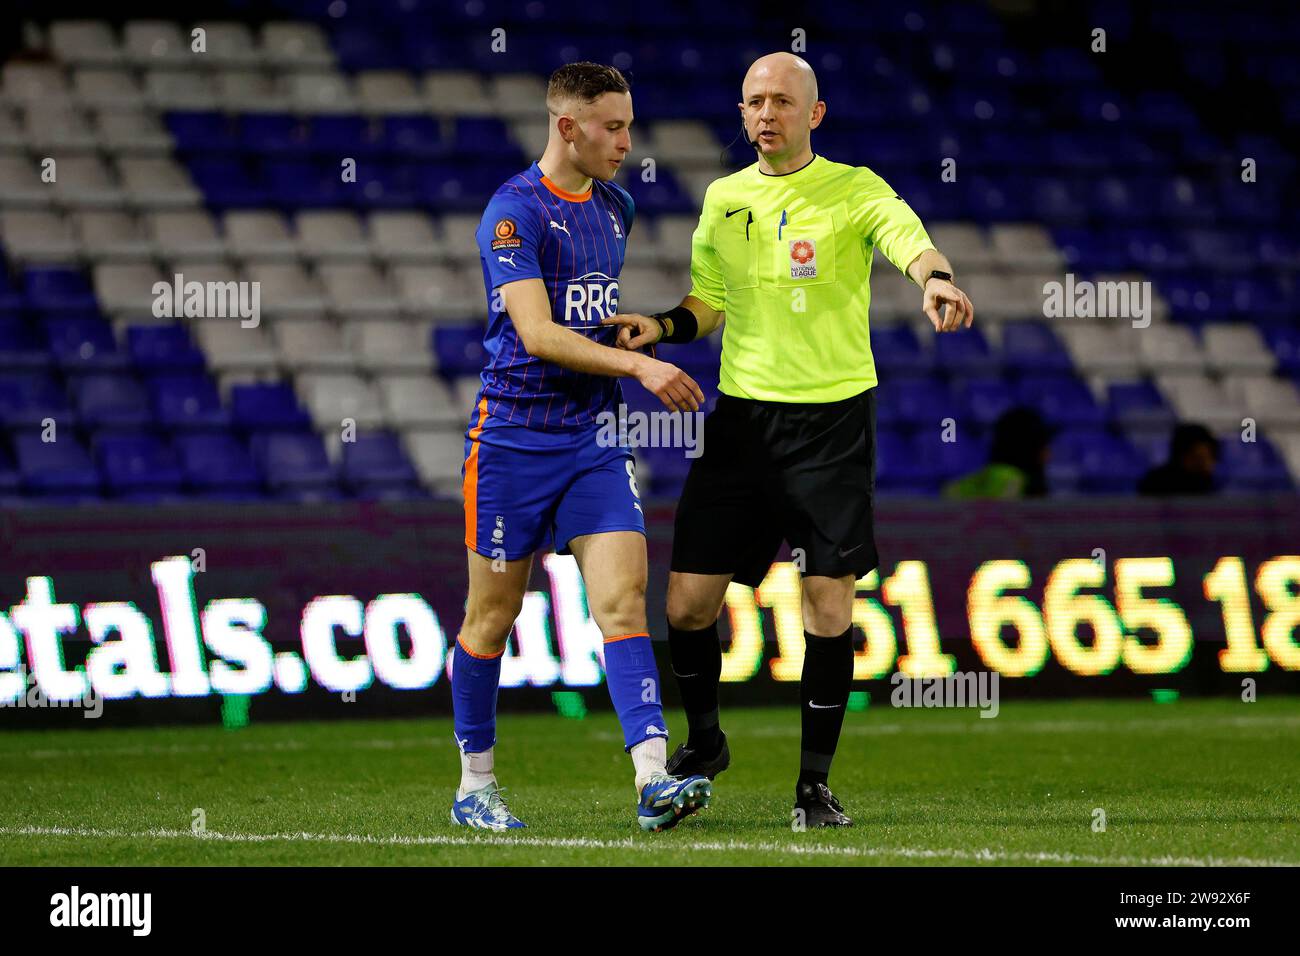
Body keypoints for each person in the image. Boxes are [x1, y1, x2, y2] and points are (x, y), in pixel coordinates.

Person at [605, 52, 975, 827]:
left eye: (780, 100)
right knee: (686, 604)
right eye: (753, 101)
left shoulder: (855, 188)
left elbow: (909, 241)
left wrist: (936, 279)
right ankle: (707, 742)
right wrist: (661, 326)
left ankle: (813, 786)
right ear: (742, 113)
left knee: (827, 608)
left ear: (815, 114)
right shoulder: (725, 198)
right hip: (743, 423)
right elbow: (709, 302)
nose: (766, 113)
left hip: (832, 424)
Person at [452, 62, 711, 832]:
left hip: (595, 437)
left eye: (630, 125)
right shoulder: (512, 213)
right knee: (491, 617)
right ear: (568, 127)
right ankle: (474, 787)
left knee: (623, 602)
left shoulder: (616, 206)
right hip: (512, 442)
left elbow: (581, 312)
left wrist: (627, 332)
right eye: (613, 127)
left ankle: (653, 781)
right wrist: (640, 366)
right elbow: (536, 333)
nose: (627, 142)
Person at [942, 406, 1053, 499]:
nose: (1049, 455)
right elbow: (996, 517)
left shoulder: (997, 473)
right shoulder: (1009, 478)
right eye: (1043, 445)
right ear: (1027, 448)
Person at [1137, 422, 1219, 495]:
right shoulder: (1156, 482)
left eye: (1209, 457)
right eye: (1199, 458)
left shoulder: (1208, 483)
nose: (1207, 464)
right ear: (1181, 455)